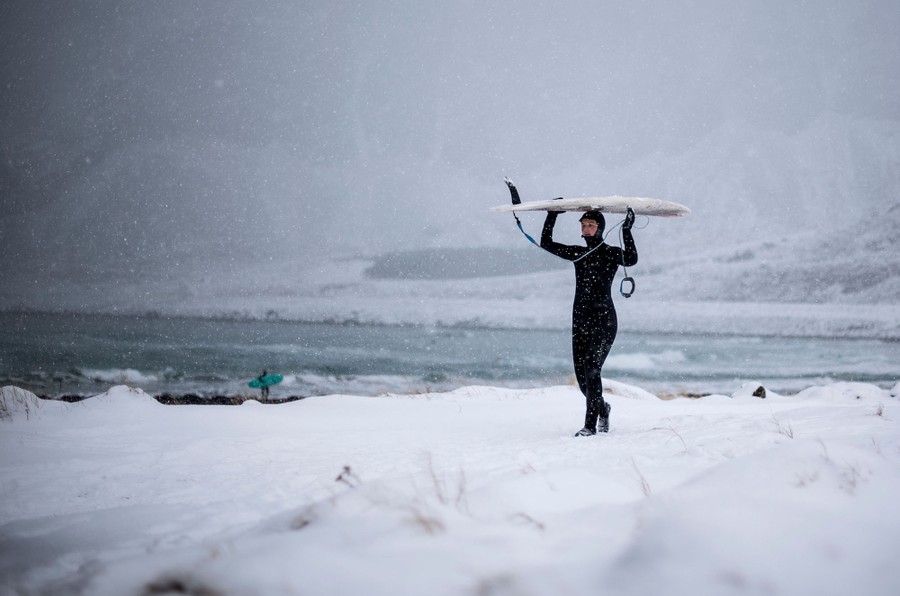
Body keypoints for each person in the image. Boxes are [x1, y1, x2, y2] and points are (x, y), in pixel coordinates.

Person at [540, 207, 637, 436]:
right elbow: (546, 242)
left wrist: (626, 230)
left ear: (600, 228)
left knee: (593, 368)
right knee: (583, 380)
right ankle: (603, 408)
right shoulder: (577, 253)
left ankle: (589, 426)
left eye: (591, 225)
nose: (586, 228)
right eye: (583, 225)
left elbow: (631, 258)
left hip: (604, 320)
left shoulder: (610, 254)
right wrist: (552, 214)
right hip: (580, 321)